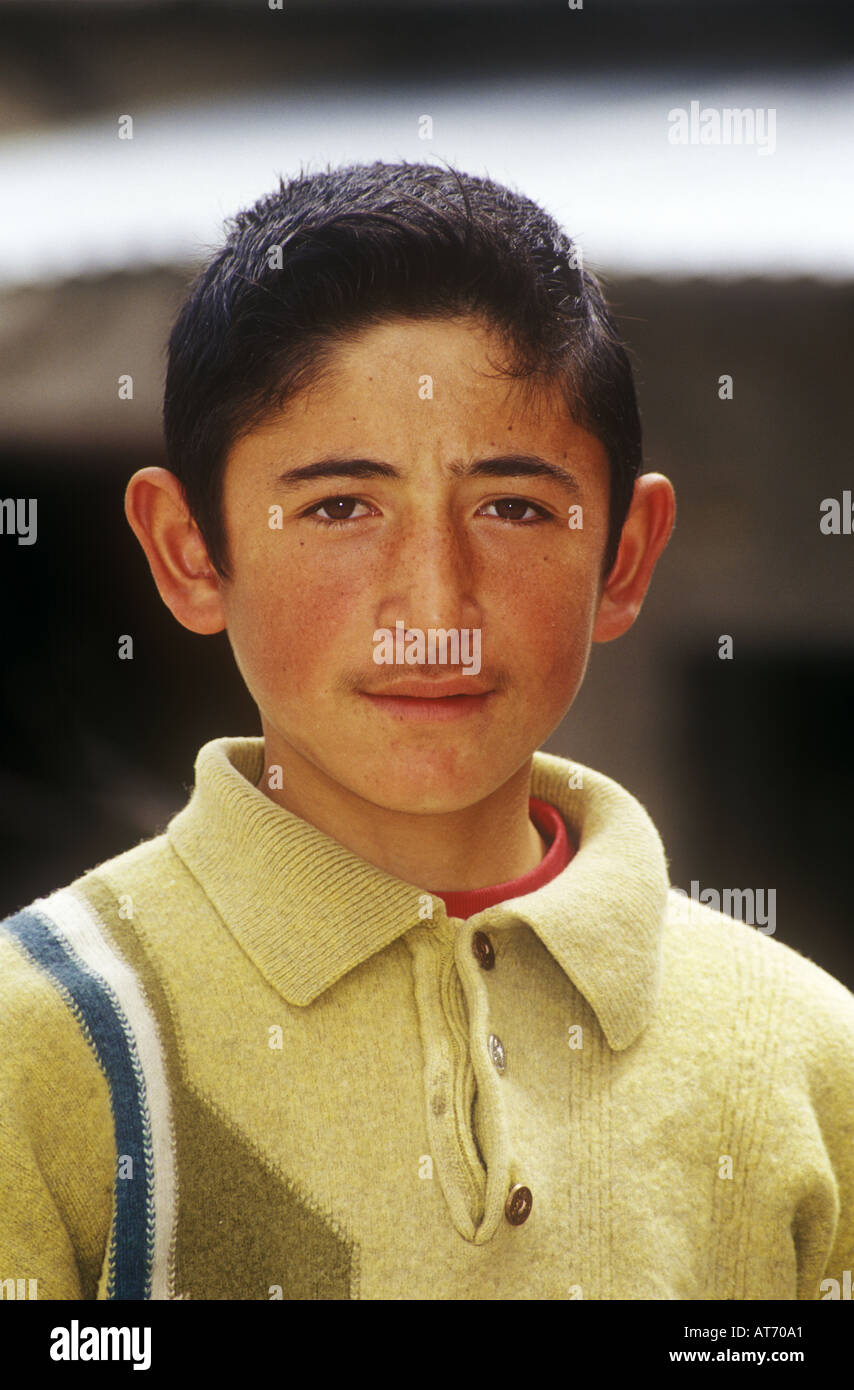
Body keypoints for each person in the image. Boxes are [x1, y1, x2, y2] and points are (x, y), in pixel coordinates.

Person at [1, 160, 852, 1302]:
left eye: (512, 506)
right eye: (338, 507)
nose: (434, 610)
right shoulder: (46, 1037)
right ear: (189, 551)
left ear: (625, 555)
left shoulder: (800, 1056)